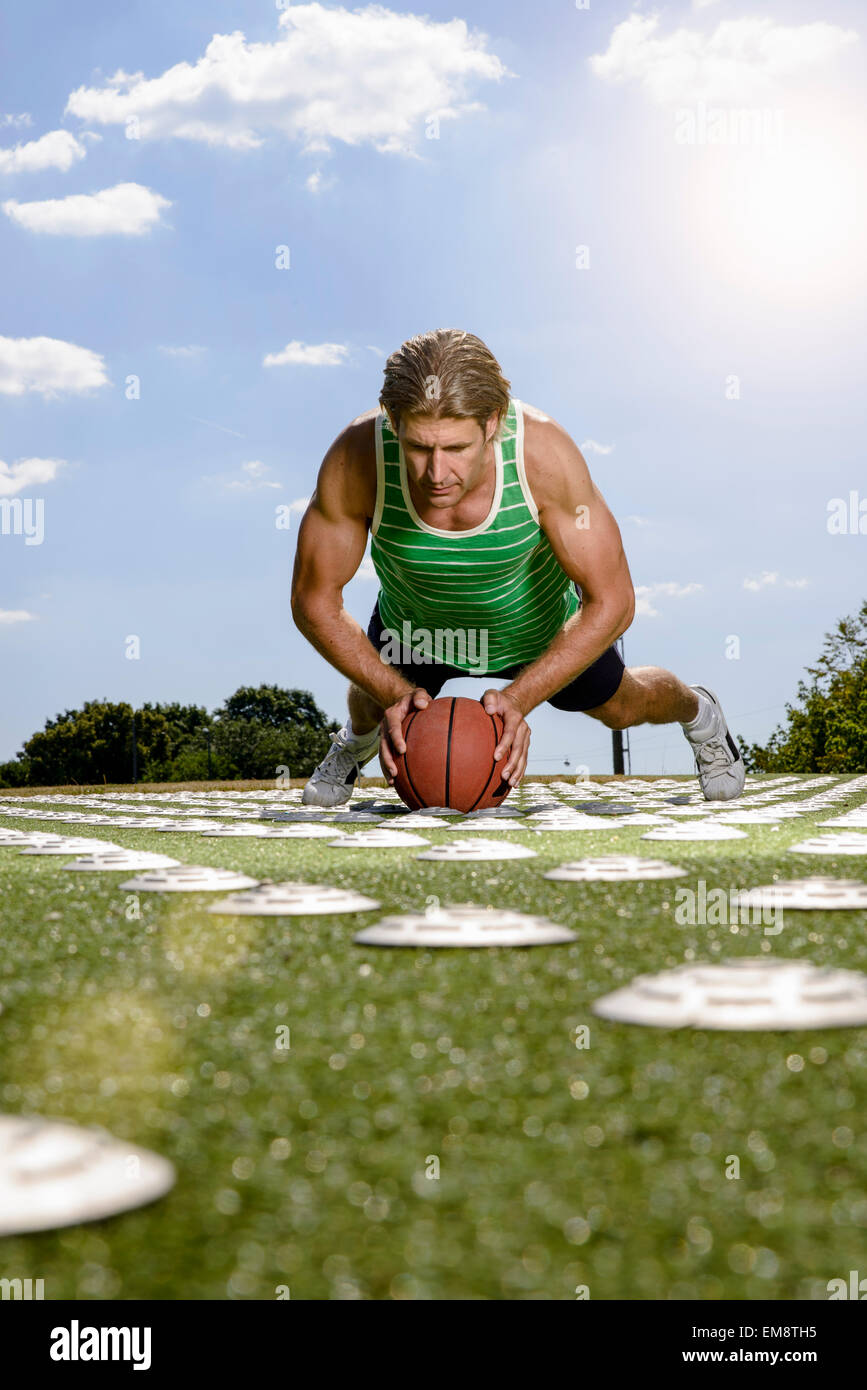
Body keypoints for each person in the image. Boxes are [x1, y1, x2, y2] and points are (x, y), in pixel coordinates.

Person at [291, 328, 744, 806]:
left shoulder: (544, 456)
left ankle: (701, 713)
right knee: (371, 697)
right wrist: (392, 694)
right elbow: (313, 601)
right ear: (393, 420)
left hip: (539, 632)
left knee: (624, 707)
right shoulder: (356, 459)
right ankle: (354, 742)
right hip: (419, 626)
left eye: (457, 449)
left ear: (493, 422)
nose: (436, 473)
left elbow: (614, 602)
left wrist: (518, 700)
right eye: (419, 447)